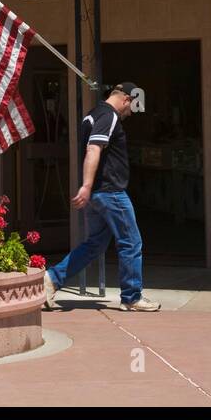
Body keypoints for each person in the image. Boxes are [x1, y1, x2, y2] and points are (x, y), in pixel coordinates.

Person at [41, 82, 160, 312]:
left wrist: (88, 187)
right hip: (110, 192)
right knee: (131, 243)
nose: (131, 113)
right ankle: (132, 297)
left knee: (95, 245)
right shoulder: (109, 116)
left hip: (98, 194)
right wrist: (86, 185)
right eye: (132, 106)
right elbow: (94, 149)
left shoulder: (92, 115)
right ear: (125, 99)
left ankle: (52, 280)